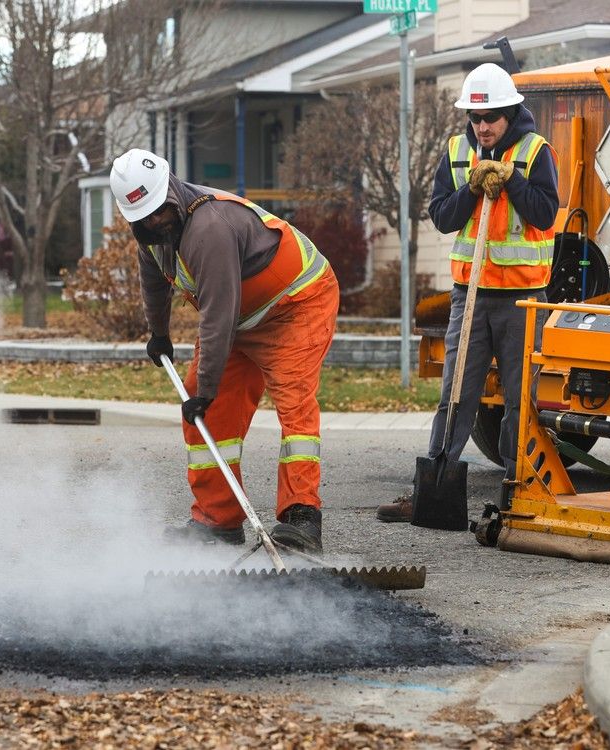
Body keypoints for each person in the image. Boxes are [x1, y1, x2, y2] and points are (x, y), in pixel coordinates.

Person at [109, 148, 338, 552]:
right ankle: (219, 520)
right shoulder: (151, 234)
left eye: (159, 210)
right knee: (209, 413)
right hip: (241, 316)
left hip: (296, 303)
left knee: (293, 402)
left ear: (171, 188)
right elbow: (155, 281)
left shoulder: (208, 228)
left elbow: (217, 312)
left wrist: (207, 389)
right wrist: (158, 333)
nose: (154, 221)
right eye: (142, 218)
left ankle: (302, 518)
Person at [376, 62, 559, 523]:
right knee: (456, 392)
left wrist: (511, 179)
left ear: (510, 114)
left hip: (522, 299)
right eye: (475, 119)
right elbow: (441, 217)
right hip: (470, 293)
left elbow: (544, 214)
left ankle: (519, 491)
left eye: (490, 119)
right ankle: (434, 484)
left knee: (521, 398)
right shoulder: (459, 152)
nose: (482, 127)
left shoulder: (537, 152)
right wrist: (474, 189)